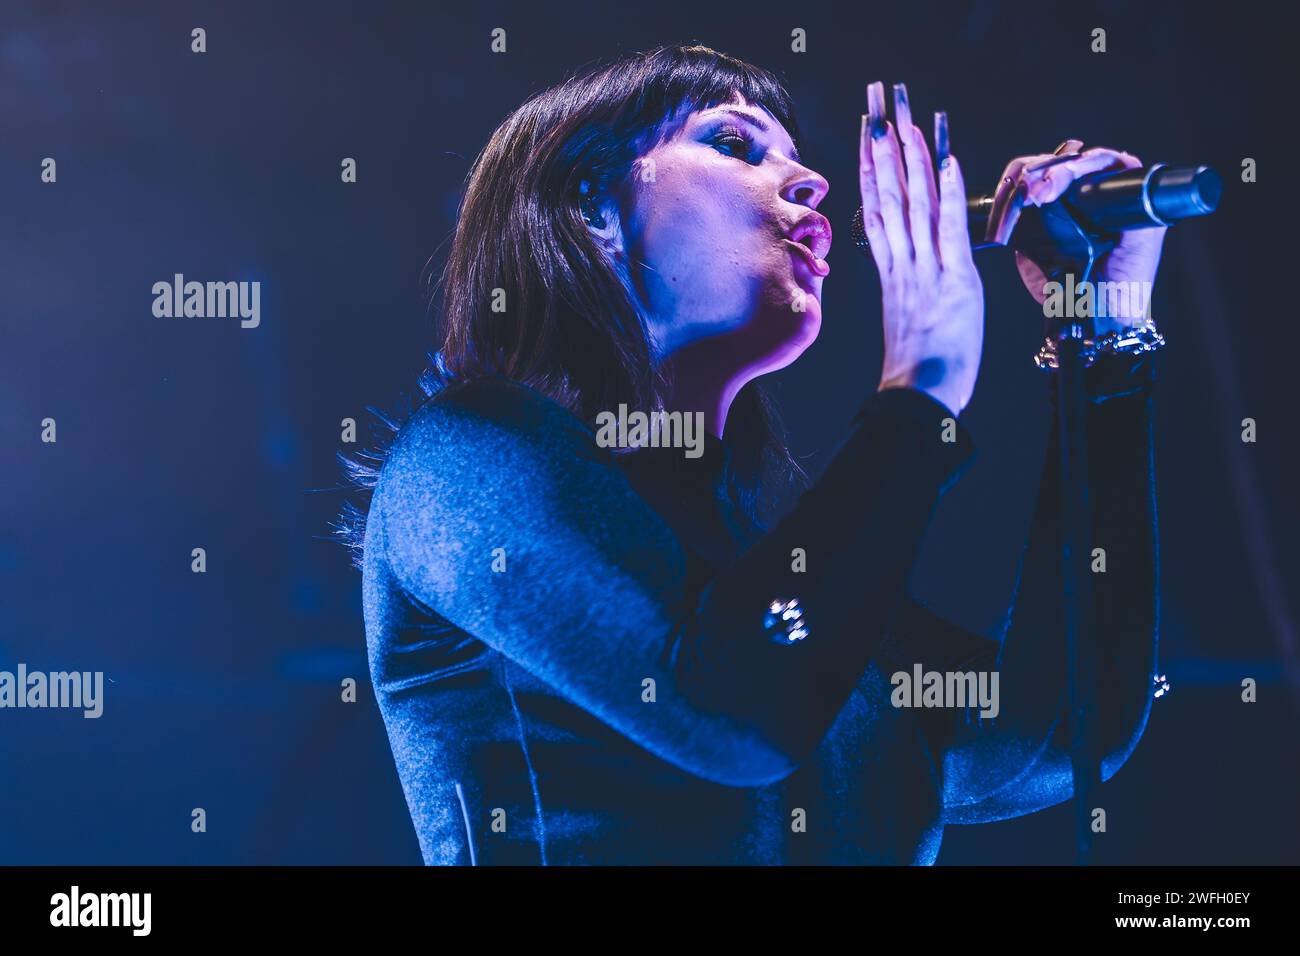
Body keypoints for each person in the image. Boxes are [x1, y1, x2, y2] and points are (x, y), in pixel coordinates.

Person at [337, 44, 1163, 864]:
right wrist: (919, 390)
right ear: (590, 202)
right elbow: (734, 709)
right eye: (735, 144)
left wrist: (1101, 332)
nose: (812, 183)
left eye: (798, 159)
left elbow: (1054, 733)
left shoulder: (763, 564)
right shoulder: (461, 463)